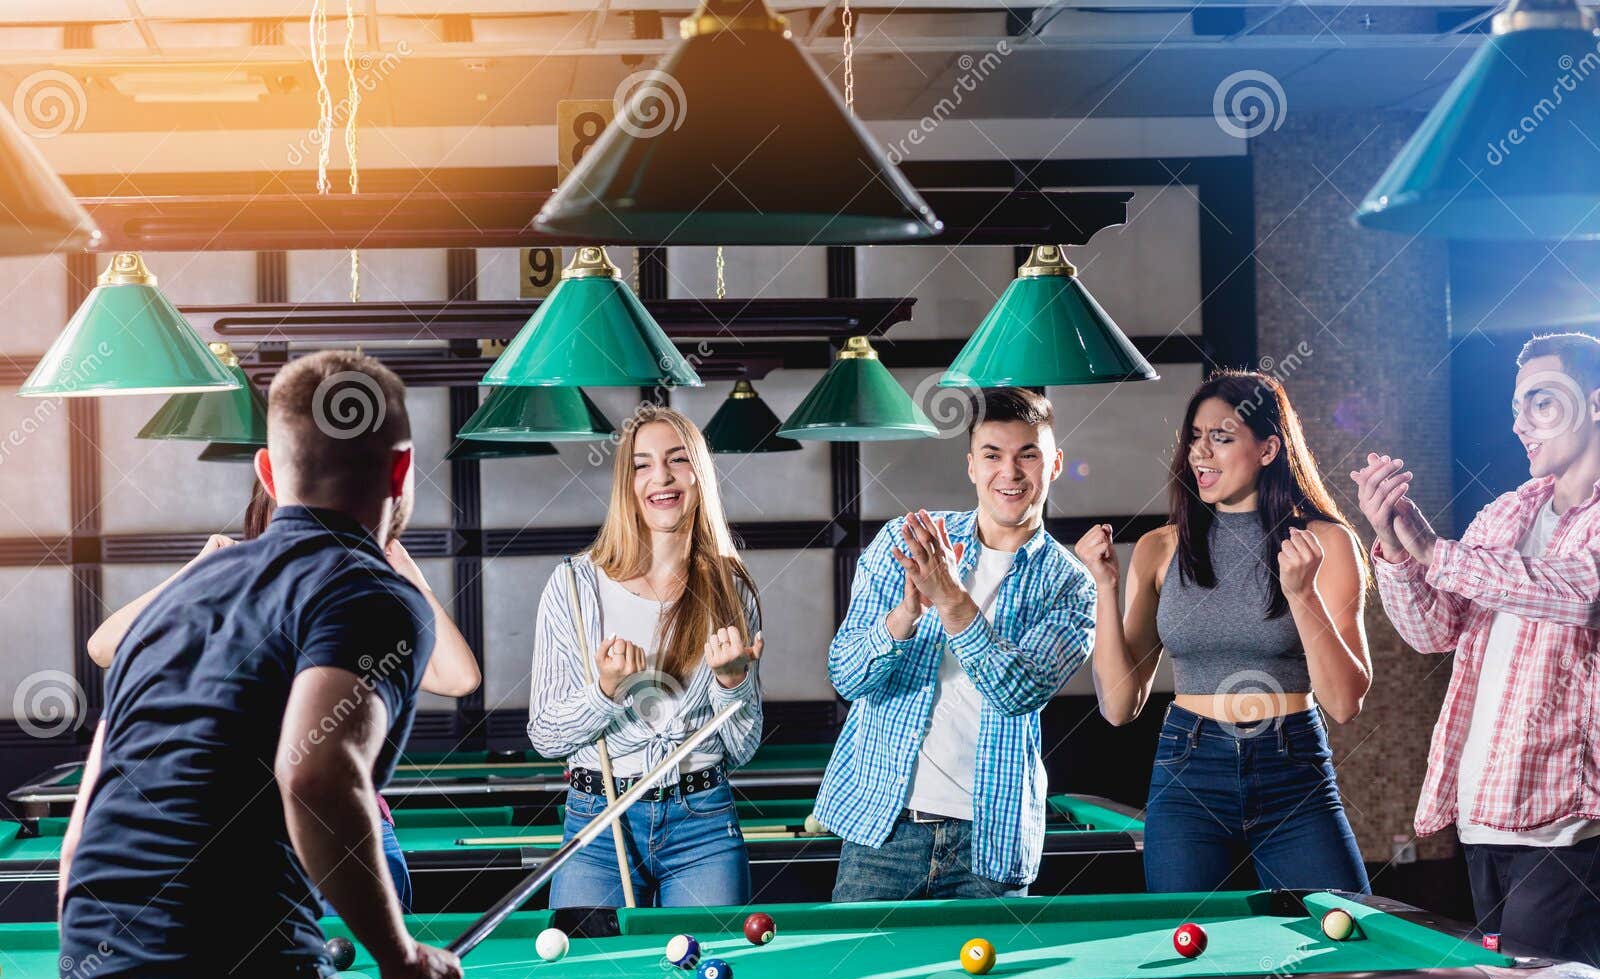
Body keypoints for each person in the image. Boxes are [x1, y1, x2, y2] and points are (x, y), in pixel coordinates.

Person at [56, 350, 462, 979]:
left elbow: (89, 806)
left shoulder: (175, 599)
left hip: (95, 973)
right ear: (401, 472)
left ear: (269, 476)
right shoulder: (375, 592)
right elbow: (314, 775)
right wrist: (400, 962)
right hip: (234, 975)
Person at [84, 480, 481, 913]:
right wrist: (195, 571)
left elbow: (459, 678)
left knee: (349, 978)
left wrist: (407, 571)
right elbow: (105, 646)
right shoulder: (229, 596)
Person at [1354, 333, 1600, 966]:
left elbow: (1578, 594)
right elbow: (1432, 632)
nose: (1520, 424)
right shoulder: (1506, 514)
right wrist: (1396, 548)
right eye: (1516, 407)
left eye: (1540, 403)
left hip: (1569, 827)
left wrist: (1436, 551)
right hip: (1483, 813)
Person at [1077, 370, 1372, 894]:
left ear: (1268, 449)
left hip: (1292, 771)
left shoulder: (1326, 542)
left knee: (1343, 935)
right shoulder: (1160, 547)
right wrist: (1103, 586)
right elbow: (1118, 707)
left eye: (1221, 437)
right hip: (1190, 769)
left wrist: (1301, 594)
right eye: (1194, 436)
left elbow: (1344, 701)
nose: (1200, 453)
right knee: (1188, 956)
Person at [814, 387, 1094, 900]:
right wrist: (905, 615)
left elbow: (1017, 693)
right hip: (885, 830)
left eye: (1027, 455)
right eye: (992, 455)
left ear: (1053, 465)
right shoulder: (907, 540)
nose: (1009, 473)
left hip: (991, 844)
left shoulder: (1070, 584)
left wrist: (950, 599)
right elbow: (846, 676)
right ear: (971, 466)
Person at [528, 407, 763, 909]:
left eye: (677, 460)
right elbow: (546, 736)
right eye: (642, 464)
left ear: (698, 475)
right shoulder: (574, 584)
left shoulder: (730, 589)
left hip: (703, 824)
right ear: (626, 482)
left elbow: (743, 749)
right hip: (598, 822)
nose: (661, 477)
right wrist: (605, 693)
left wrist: (731, 684)